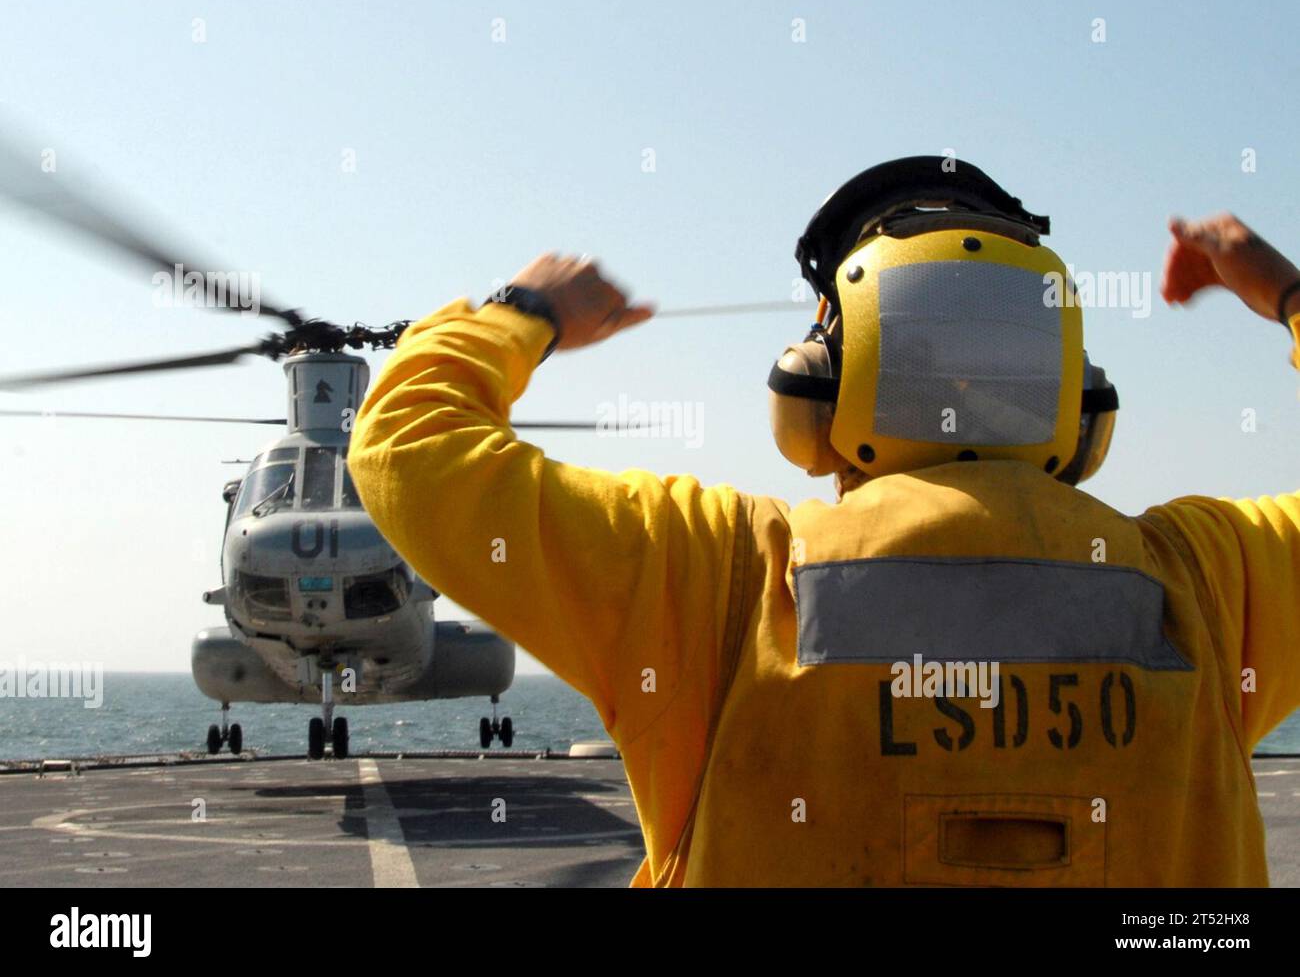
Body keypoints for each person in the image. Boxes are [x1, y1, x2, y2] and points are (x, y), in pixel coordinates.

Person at [347, 157, 1300, 886]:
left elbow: (409, 450)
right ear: (1081, 408)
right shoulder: (1214, 582)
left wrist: (527, 311)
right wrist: (1288, 296)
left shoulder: (716, 575)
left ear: (815, 389)